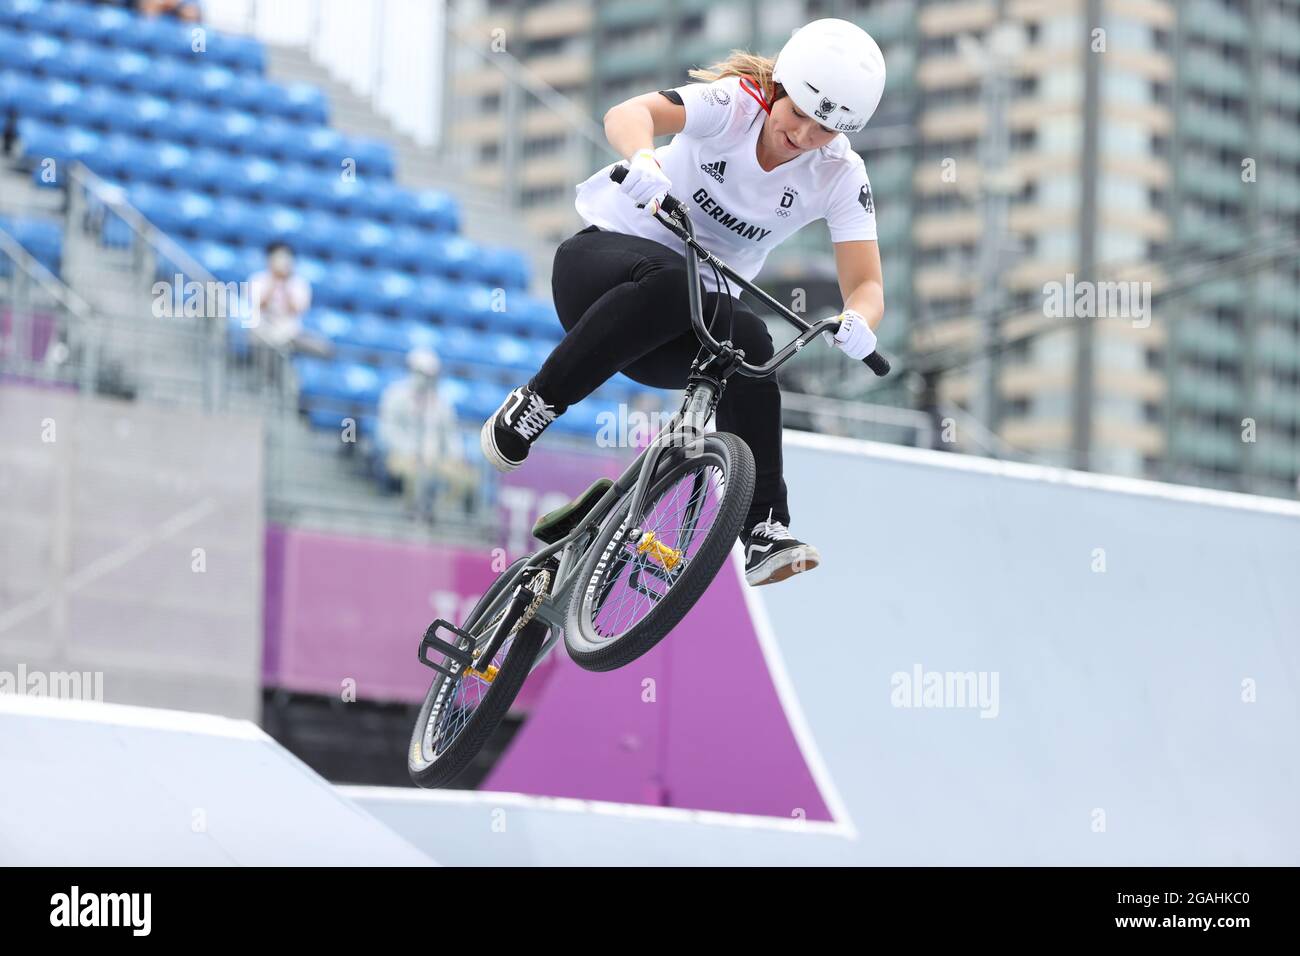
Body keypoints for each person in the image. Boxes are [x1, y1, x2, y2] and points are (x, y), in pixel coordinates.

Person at [480, 18, 887, 586]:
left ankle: (764, 525)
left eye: (823, 131)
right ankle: (538, 402)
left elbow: (866, 286)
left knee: (753, 344)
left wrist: (858, 321)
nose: (802, 137)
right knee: (679, 283)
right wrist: (644, 159)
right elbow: (629, 114)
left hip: (679, 327)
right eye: (798, 114)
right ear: (779, 88)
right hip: (598, 275)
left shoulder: (841, 173)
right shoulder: (735, 104)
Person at [377, 349, 475, 519]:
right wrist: (409, 451)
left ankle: (437, 513)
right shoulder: (395, 395)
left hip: (435, 458)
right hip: (401, 455)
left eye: (430, 375)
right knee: (414, 474)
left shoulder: (441, 402)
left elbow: (451, 434)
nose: (425, 379)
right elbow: (388, 430)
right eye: (421, 373)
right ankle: (411, 513)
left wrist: (457, 457)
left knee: (466, 479)